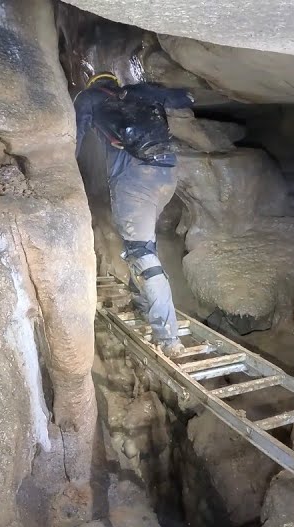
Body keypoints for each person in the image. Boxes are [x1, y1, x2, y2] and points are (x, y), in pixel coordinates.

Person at [74, 72, 194, 357]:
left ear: (95, 85)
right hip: (166, 175)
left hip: (135, 182)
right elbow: (184, 97)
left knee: (141, 252)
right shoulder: (140, 92)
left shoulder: (90, 98)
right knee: (140, 243)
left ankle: (168, 338)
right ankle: (142, 303)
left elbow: (75, 135)